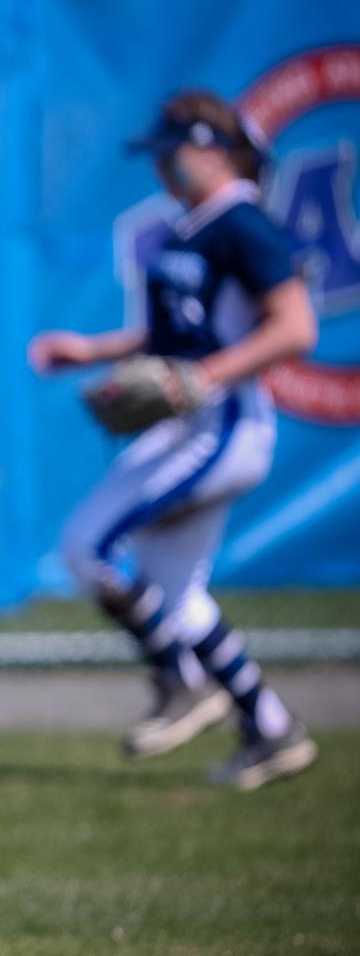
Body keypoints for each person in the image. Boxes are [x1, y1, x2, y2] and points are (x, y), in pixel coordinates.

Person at [29, 89, 320, 791]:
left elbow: (295, 327)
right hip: (193, 425)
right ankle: (271, 726)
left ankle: (179, 679)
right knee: (177, 592)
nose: (161, 169)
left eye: (172, 154)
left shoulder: (243, 222)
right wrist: (94, 350)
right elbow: (170, 342)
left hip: (223, 427)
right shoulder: (191, 230)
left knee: (89, 543)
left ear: (211, 150)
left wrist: (203, 378)